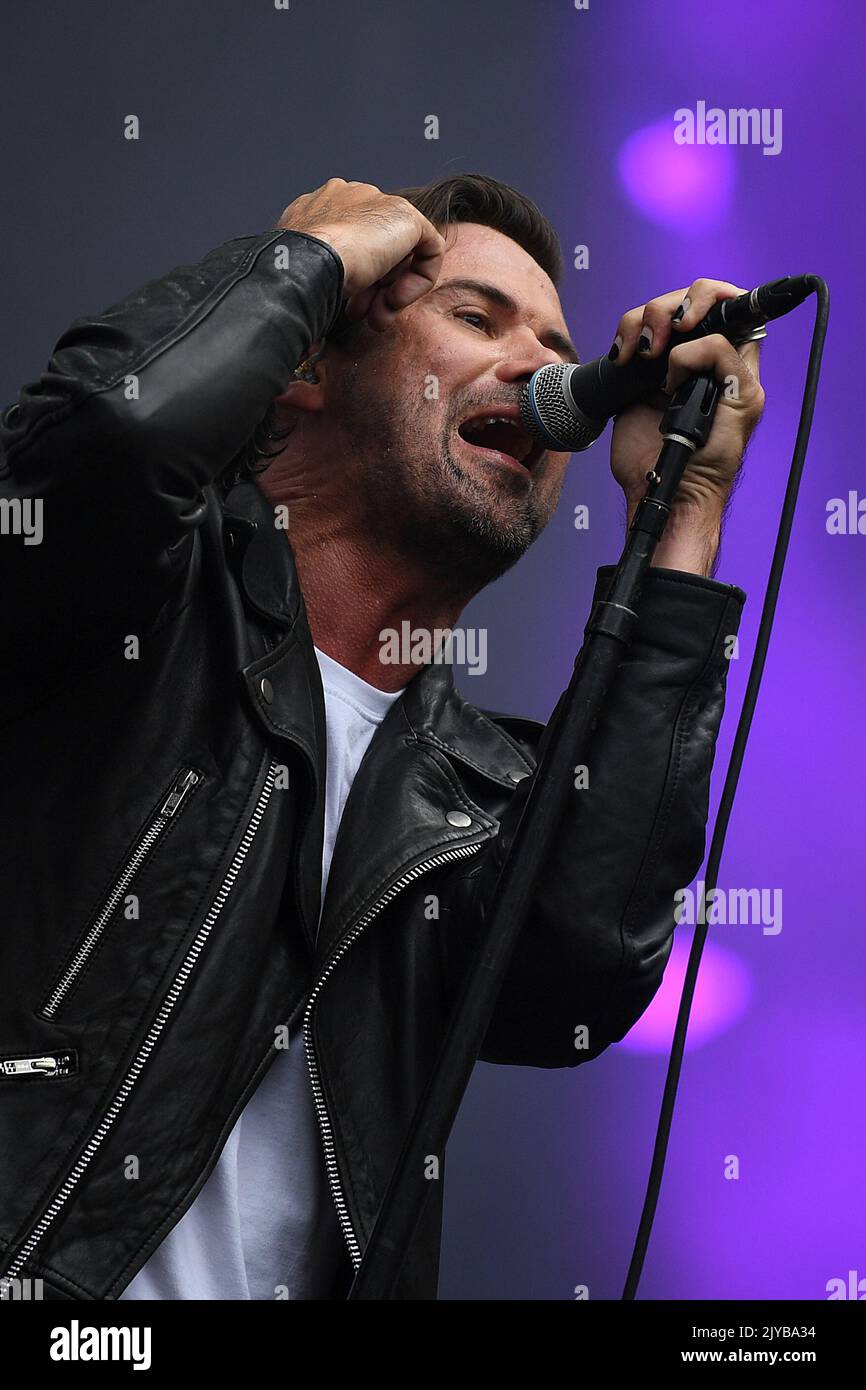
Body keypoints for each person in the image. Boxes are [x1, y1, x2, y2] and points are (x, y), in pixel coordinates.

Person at [0, 174, 763, 1301]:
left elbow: (580, 971)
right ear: (308, 368)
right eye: (474, 317)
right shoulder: (141, 610)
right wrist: (301, 258)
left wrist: (685, 506)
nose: (543, 373)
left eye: (554, 346)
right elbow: (106, 441)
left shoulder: (468, 801)